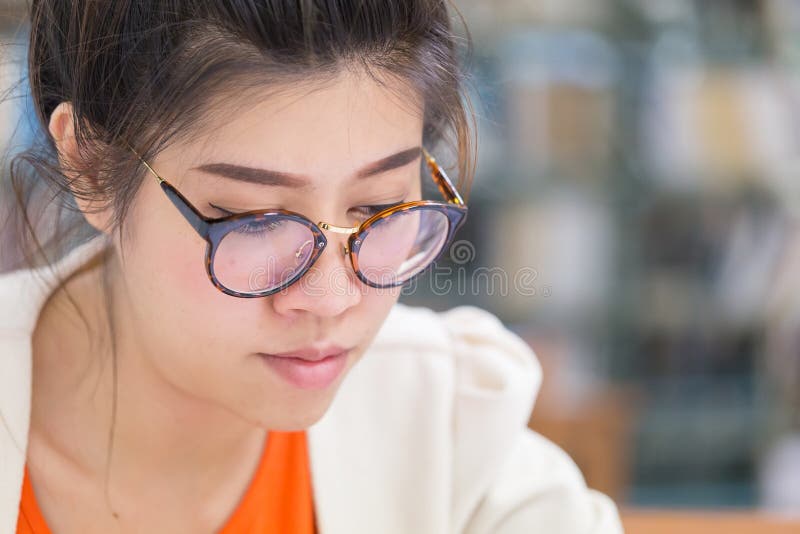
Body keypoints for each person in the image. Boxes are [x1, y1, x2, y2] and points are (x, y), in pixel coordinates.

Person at [0, 1, 623, 533]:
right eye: (256, 220)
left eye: (380, 205)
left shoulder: (447, 426)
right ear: (88, 168)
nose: (330, 299)